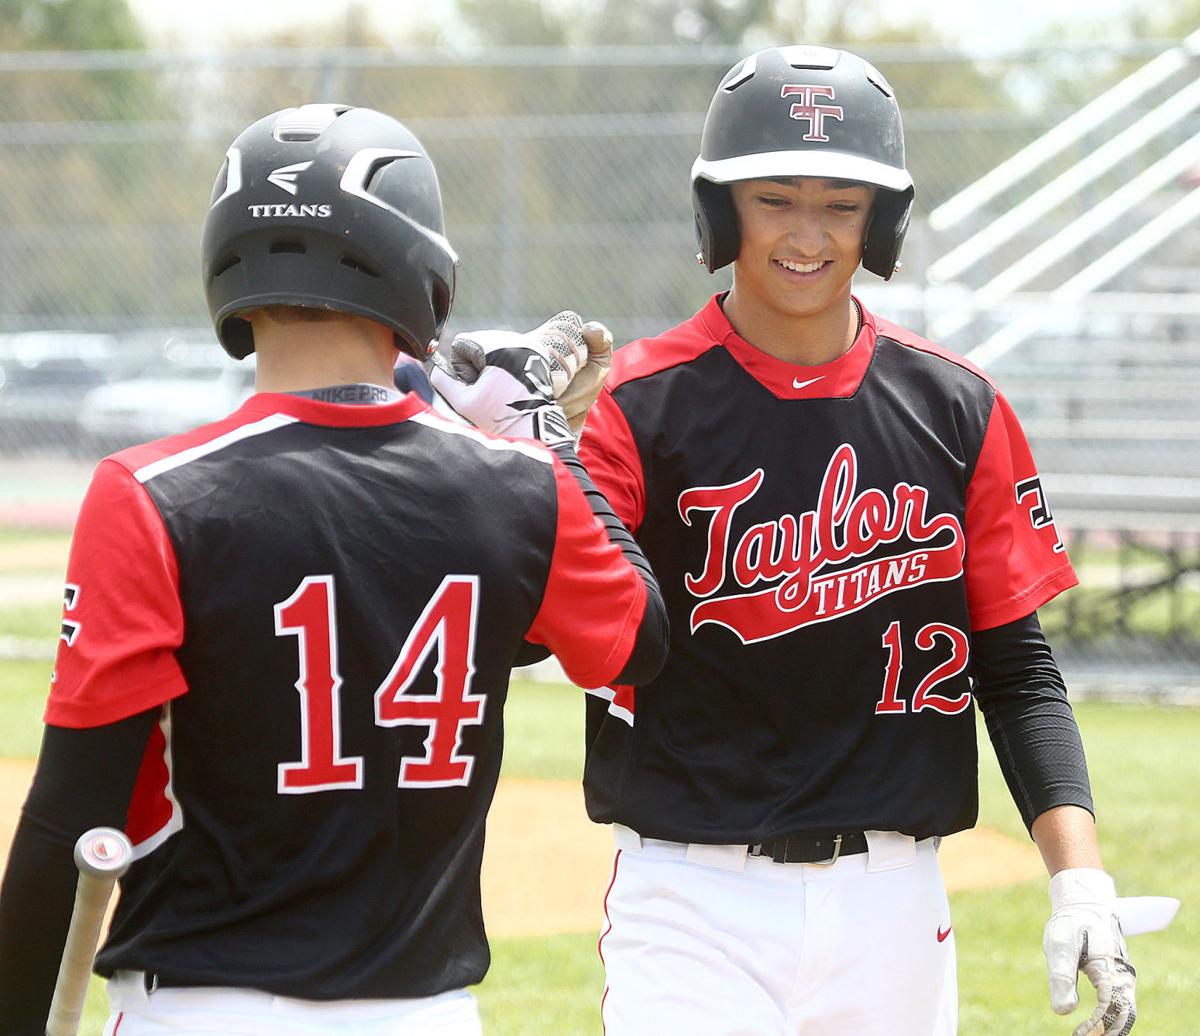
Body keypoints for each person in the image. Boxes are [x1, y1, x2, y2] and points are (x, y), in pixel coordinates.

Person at [0, 103, 667, 1036]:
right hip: (425, 1013)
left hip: (200, 1007)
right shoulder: (516, 487)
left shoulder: (151, 492)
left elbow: (68, 817)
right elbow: (636, 641)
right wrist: (540, 434)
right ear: (420, 271)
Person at [569, 46, 1136, 1035]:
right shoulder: (638, 405)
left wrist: (1081, 884)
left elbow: (1017, 668)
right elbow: (563, 628)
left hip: (894, 899)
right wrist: (530, 463)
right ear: (721, 212)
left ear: (881, 221)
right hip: (694, 897)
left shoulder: (957, 407)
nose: (808, 234)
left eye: (841, 204)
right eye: (776, 199)